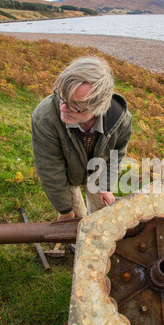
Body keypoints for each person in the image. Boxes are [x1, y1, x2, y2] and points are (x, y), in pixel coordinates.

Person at [31, 56, 132, 220]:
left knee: (103, 218)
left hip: (97, 171)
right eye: (62, 97)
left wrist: (106, 186)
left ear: (99, 106)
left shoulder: (121, 120)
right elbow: (50, 169)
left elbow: (116, 156)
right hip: (66, 174)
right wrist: (65, 209)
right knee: (75, 221)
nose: (63, 108)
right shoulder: (44, 119)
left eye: (75, 105)